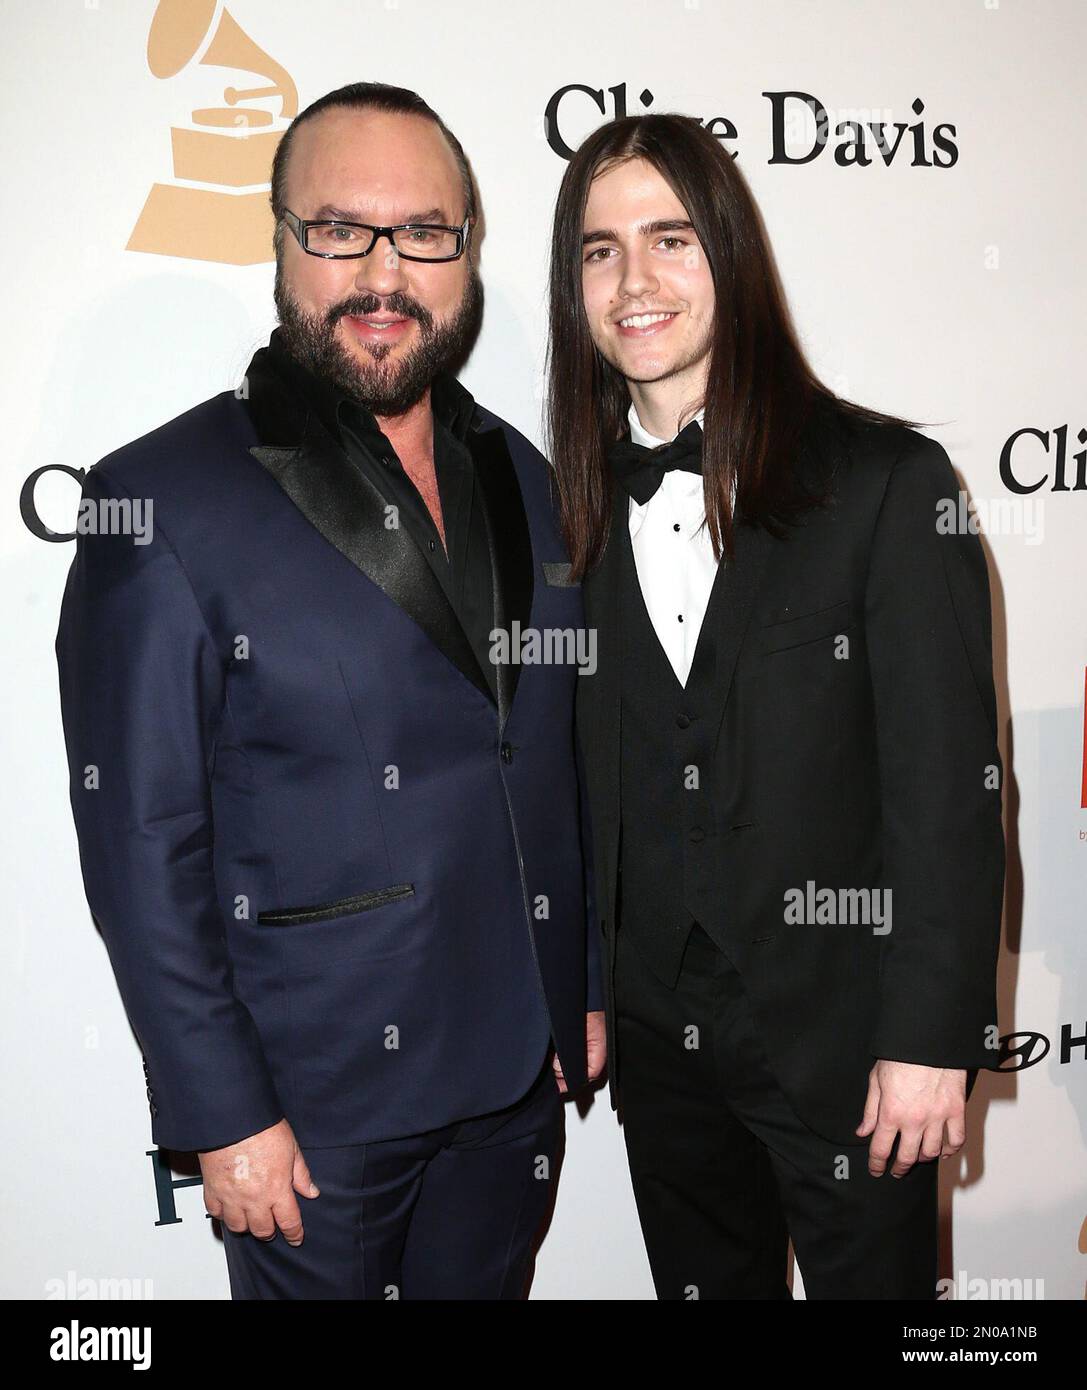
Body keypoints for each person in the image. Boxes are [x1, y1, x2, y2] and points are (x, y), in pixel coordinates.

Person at [56, 82, 605, 1301]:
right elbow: (141, 843)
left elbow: (550, 754)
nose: (384, 273)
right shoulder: (158, 499)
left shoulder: (524, 472)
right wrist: (221, 1110)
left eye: (424, 233)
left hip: (512, 1076)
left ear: (466, 251)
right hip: (310, 1111)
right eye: (342, 230)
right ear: (281, 241)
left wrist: (580, 982)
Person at [547, 113, 1005, 1300]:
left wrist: (929, 1038)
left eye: (670, 239)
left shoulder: (885, 484)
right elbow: (565, 786)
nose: (633, 281)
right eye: (599, 250)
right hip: (658, 1043)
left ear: (731, 256)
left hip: (850, 1042)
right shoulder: (561, 520)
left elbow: (948, 791)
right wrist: (577, 985)